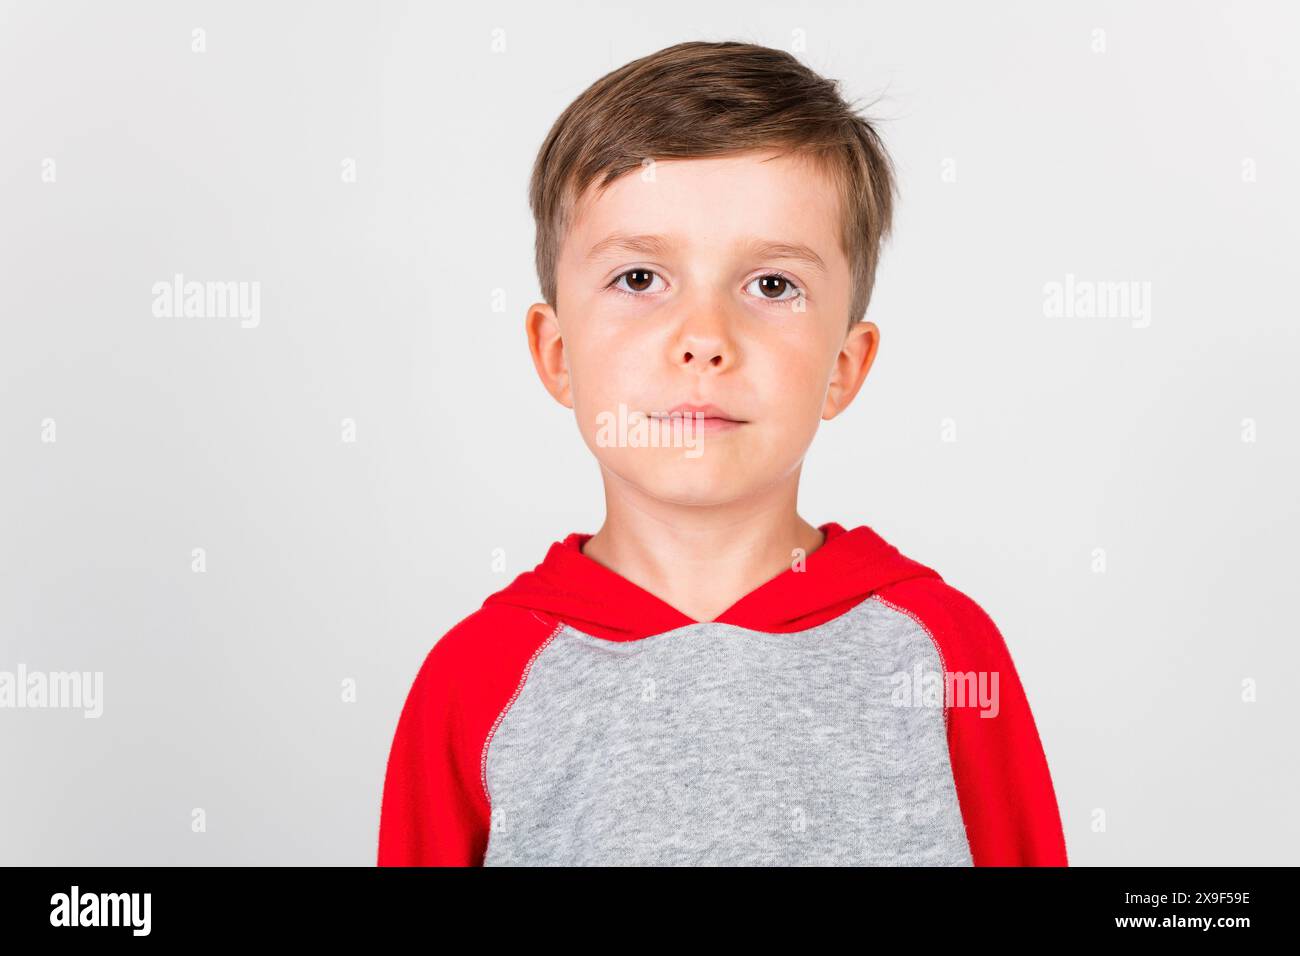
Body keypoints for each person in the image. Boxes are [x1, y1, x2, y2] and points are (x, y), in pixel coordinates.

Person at [377, 40, 1067, 866]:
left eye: (771, 286)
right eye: (639, 279)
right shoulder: (473, 682)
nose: (704, 340)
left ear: (844, 368)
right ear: (557, 354)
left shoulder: (945, 653)